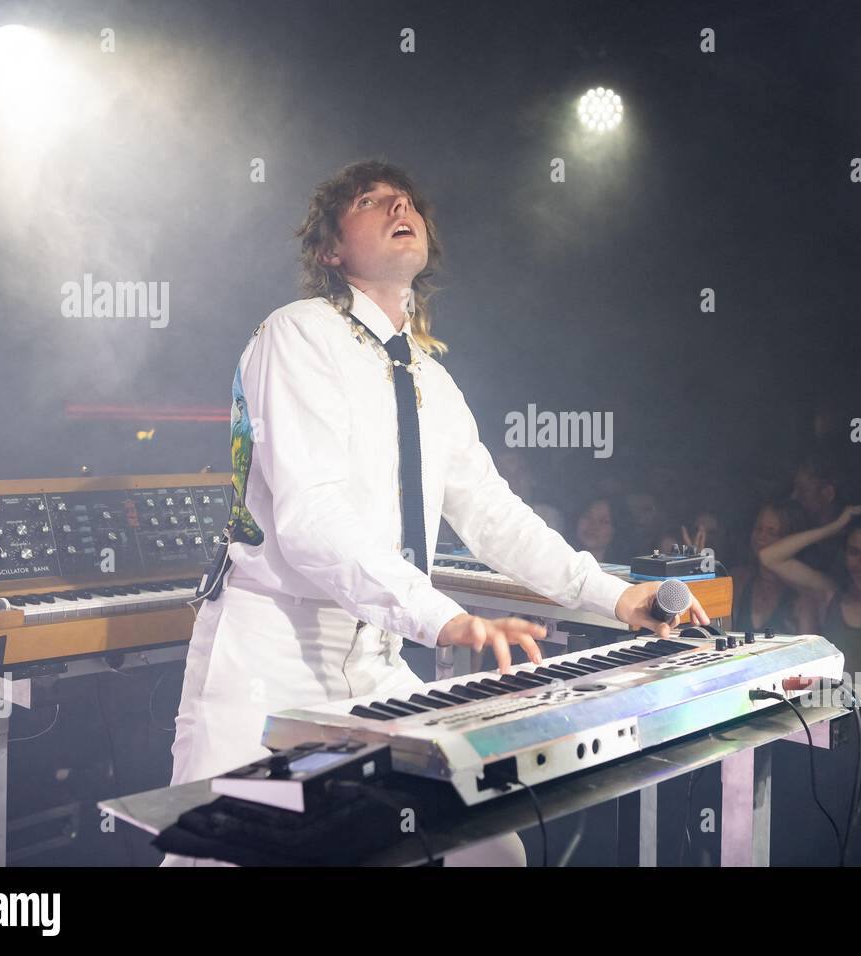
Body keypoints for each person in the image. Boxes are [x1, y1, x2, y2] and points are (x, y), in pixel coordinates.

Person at [166, 160, 705, 866]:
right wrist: (444, 618)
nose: (402, 206)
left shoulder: (431, 377)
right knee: (226, 857)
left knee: (489, 856)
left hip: (378, 658)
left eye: (410, 200)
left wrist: (617, 594)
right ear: (331, 249)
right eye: (373, 200)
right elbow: (310, 518)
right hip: (274, 656)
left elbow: (491, 513)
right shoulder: (297, 334)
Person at [756, 505, 861, 673]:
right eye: (855, 553)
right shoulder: (831, 595)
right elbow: (769, 558)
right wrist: (834, 527)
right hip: (833, 703)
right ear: (844, 554)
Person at [728, 500, 815, 635]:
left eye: (772, 533)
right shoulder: (738, 579)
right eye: (758, 529)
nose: (761, 537)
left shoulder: (801, 598)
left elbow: (811, 652)